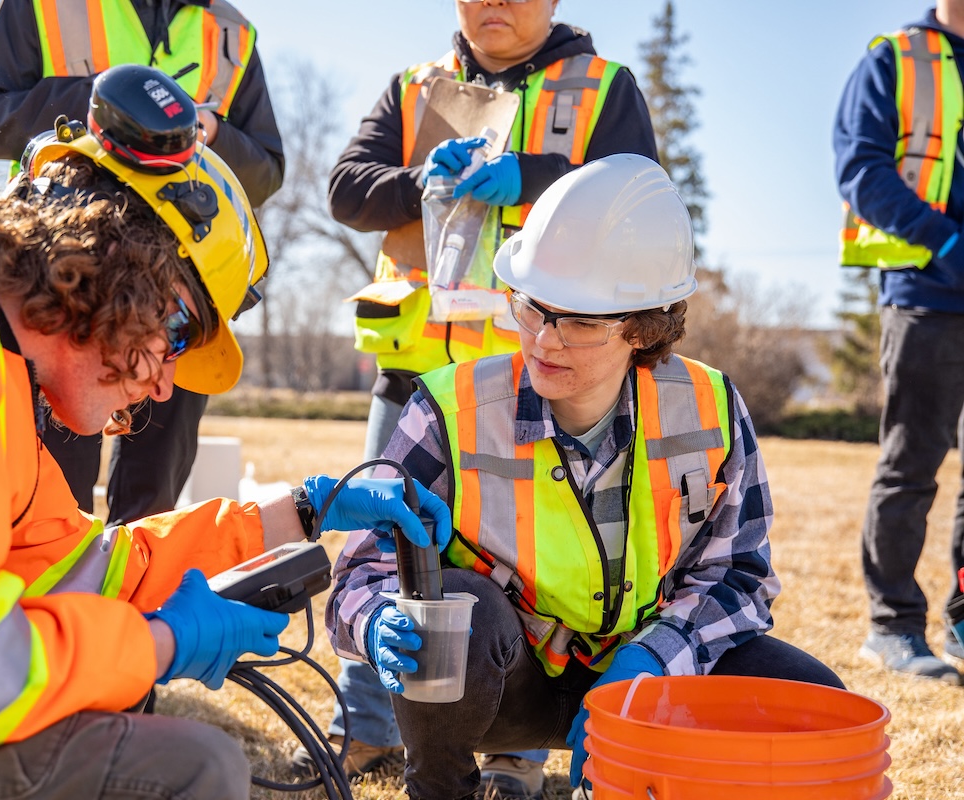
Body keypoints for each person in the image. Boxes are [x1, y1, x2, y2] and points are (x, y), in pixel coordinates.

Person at [0, 66, 450, 799]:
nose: (164, 384)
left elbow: (96, 572)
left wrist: (306, 509)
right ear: (115, 261)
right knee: (191, 770)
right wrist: (160, 645)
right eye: (178, 333)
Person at [326, 154, 845, 800]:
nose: (544, 340)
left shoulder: (708, 407)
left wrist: (651, 660)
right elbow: (359, 573)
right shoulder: (449, 410)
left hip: (649, 676)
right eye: (532, 308)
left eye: (578, 321)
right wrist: (377, 619)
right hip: (505, 682)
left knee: (814, 700)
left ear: (643, 329)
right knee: (452, 612)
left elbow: (739, 577)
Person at [310, 0, 657, 793]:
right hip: (414, 376)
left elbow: (637, 199)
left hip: (534, 380)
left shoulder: (604, 88)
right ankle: (364, 730)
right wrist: (417, 182)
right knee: (382, 548)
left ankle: (513, 758)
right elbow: (346, 191)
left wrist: (529, 177)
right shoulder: (413, 88)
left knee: (527, 560)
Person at [0, 0, 284, 524]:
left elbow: (268, 169)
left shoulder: (232, 32)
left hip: (185, 288)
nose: (161, 383)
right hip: (72, 283)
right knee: (49, 497)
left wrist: (208, 130)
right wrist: (108, 104)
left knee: (151, 504)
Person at [834, 0, 964, 684]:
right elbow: (861, 168)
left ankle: (962, 623)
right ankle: (893, 626)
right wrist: (945, 240)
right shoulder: (897, 60)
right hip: (926, 293)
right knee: (912, 465)